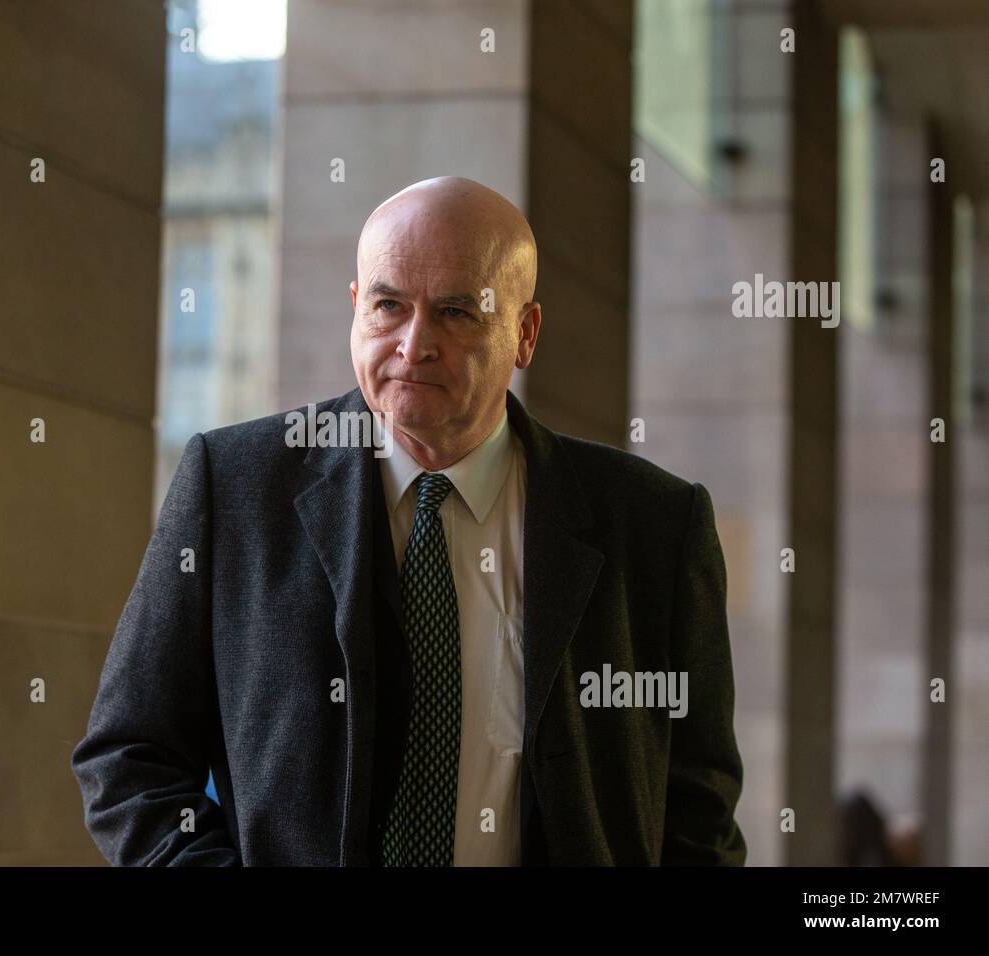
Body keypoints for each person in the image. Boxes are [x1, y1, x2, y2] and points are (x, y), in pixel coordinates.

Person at [71, 176, 747, 866]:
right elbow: (129, 758)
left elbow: (700, 804)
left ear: (525, 333)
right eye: (389, 306)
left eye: (457, 313)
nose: (413, 344)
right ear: (356, 307)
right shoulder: (237, 486)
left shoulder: (654, 524)